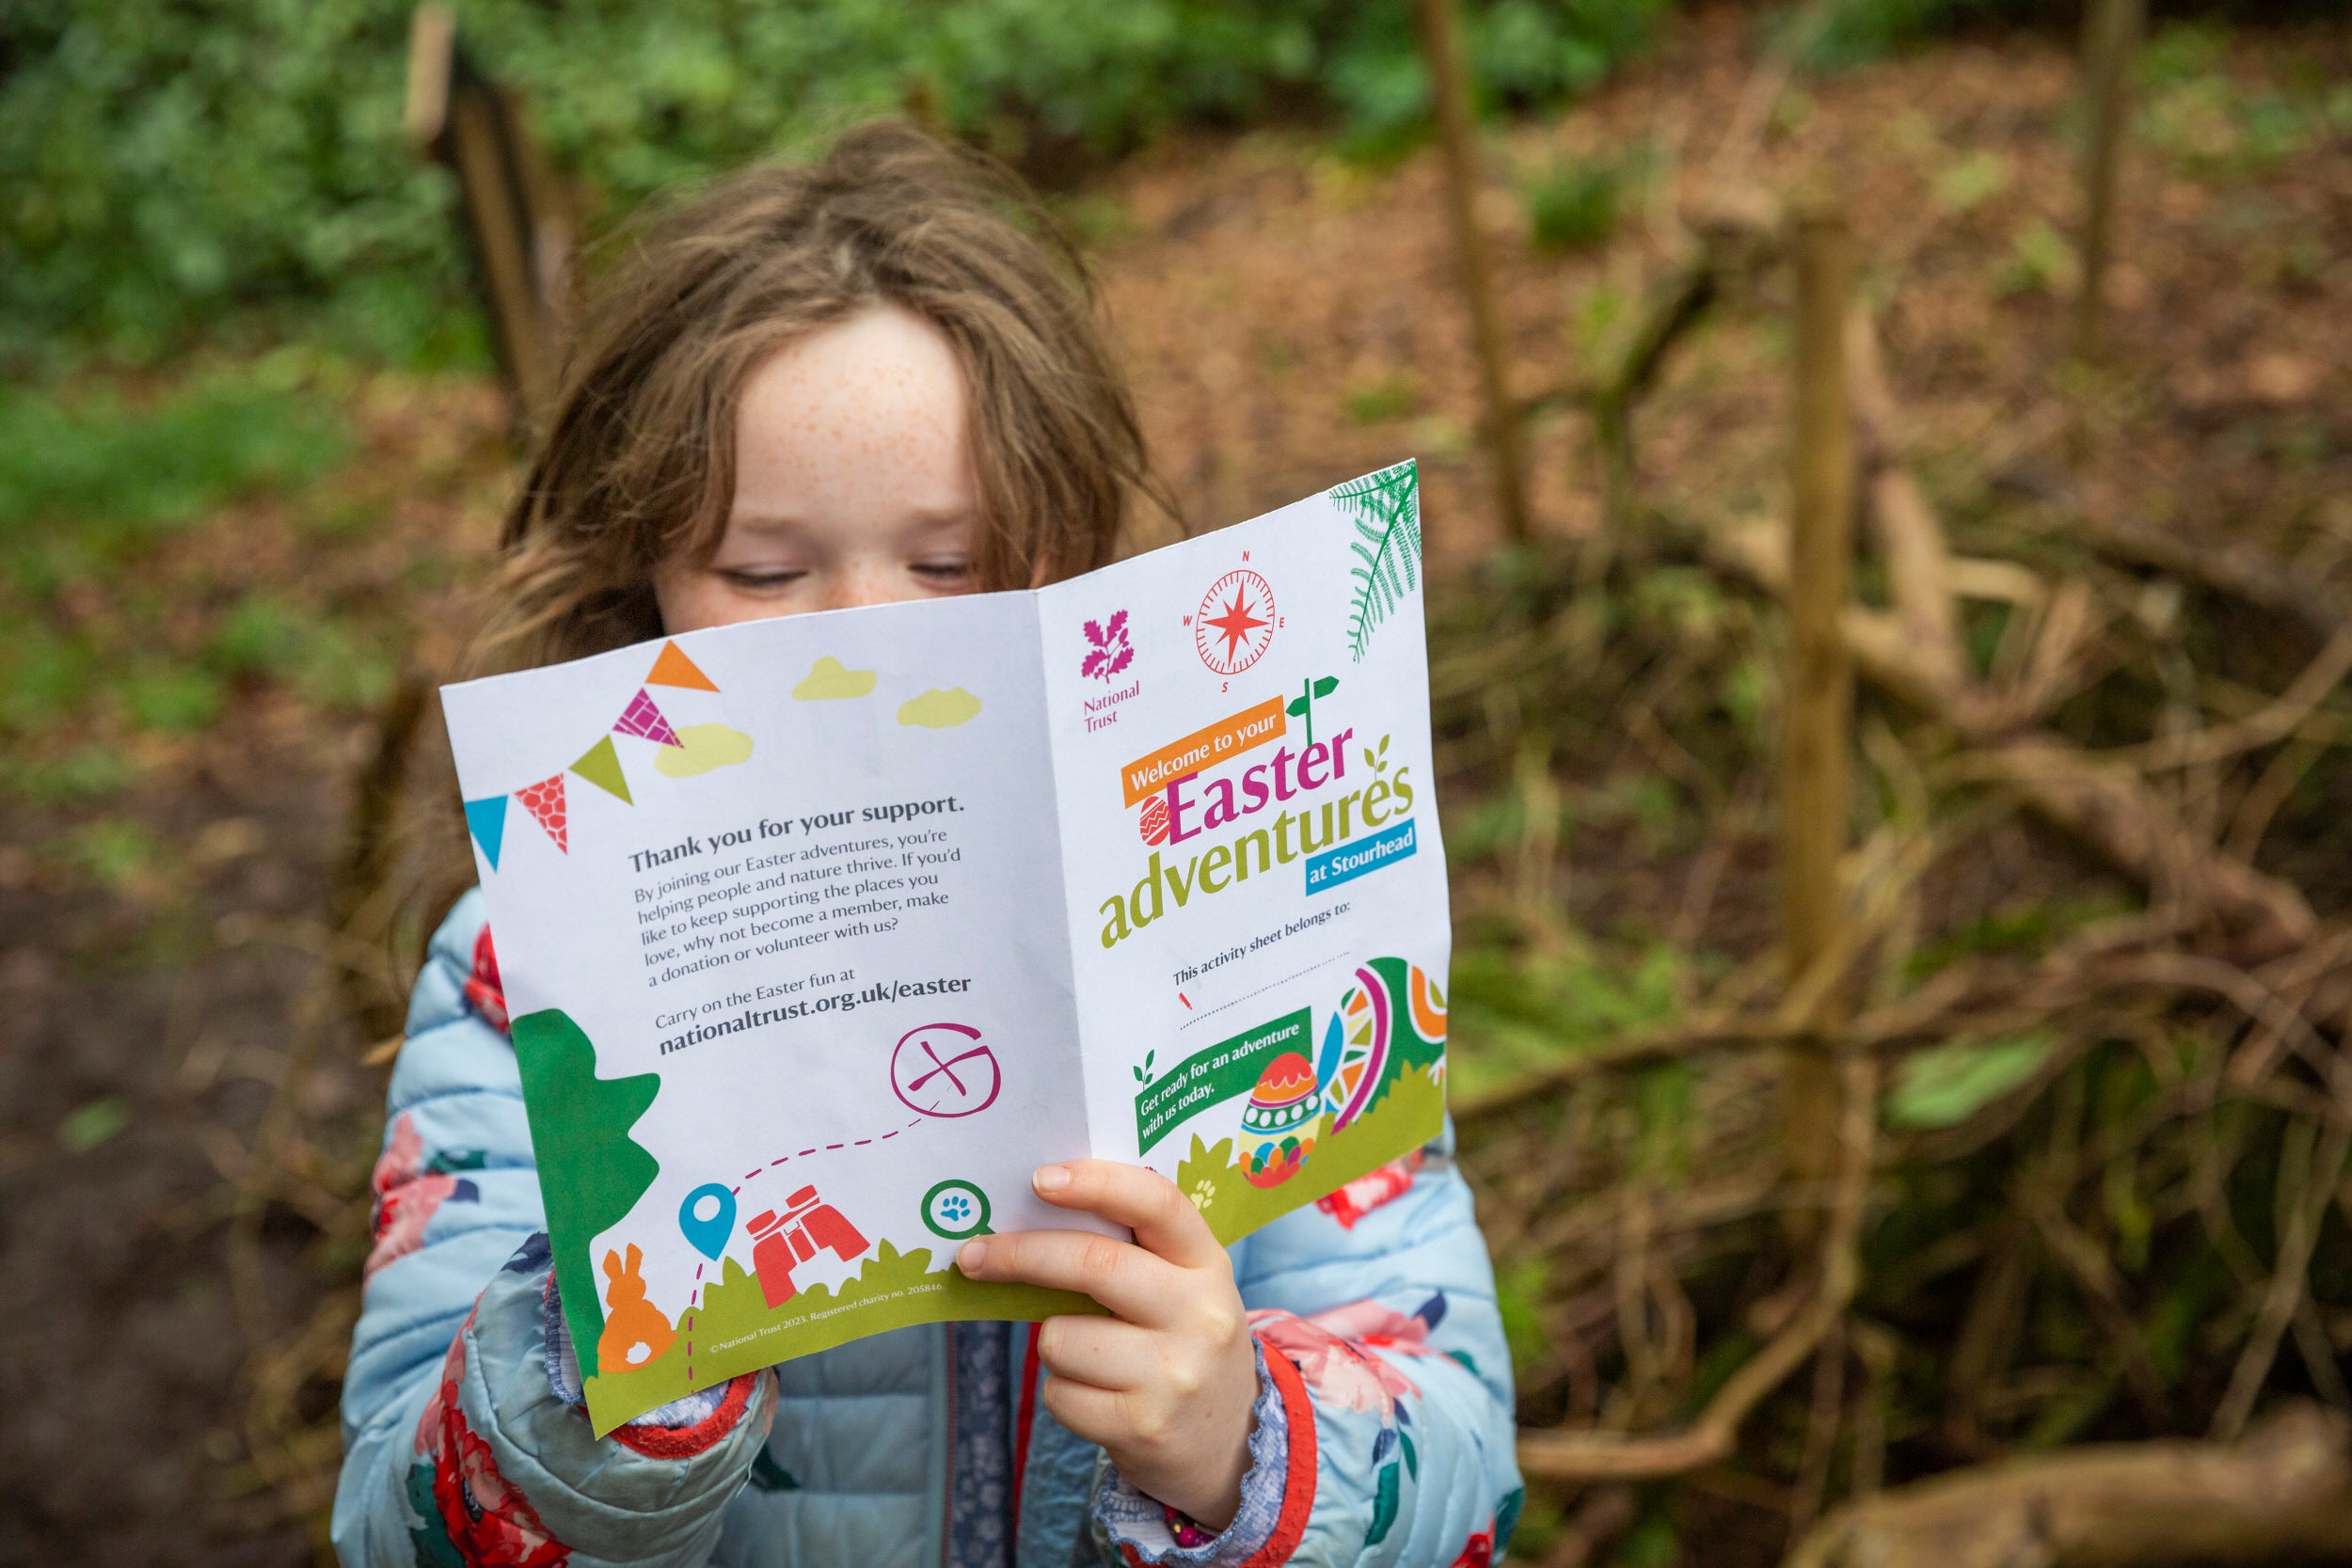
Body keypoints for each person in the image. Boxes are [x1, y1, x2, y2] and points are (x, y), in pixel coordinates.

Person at [334, 121, 1521, 1568]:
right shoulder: (519, 977)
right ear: (642, 574)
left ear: (1069, 555)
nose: (864, 640)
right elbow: (393, 1532)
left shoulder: (1246, 923)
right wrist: (595, 1378)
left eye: (949, 561)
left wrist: (1237, 1443)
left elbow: (1463, 1467)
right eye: (765, 569)